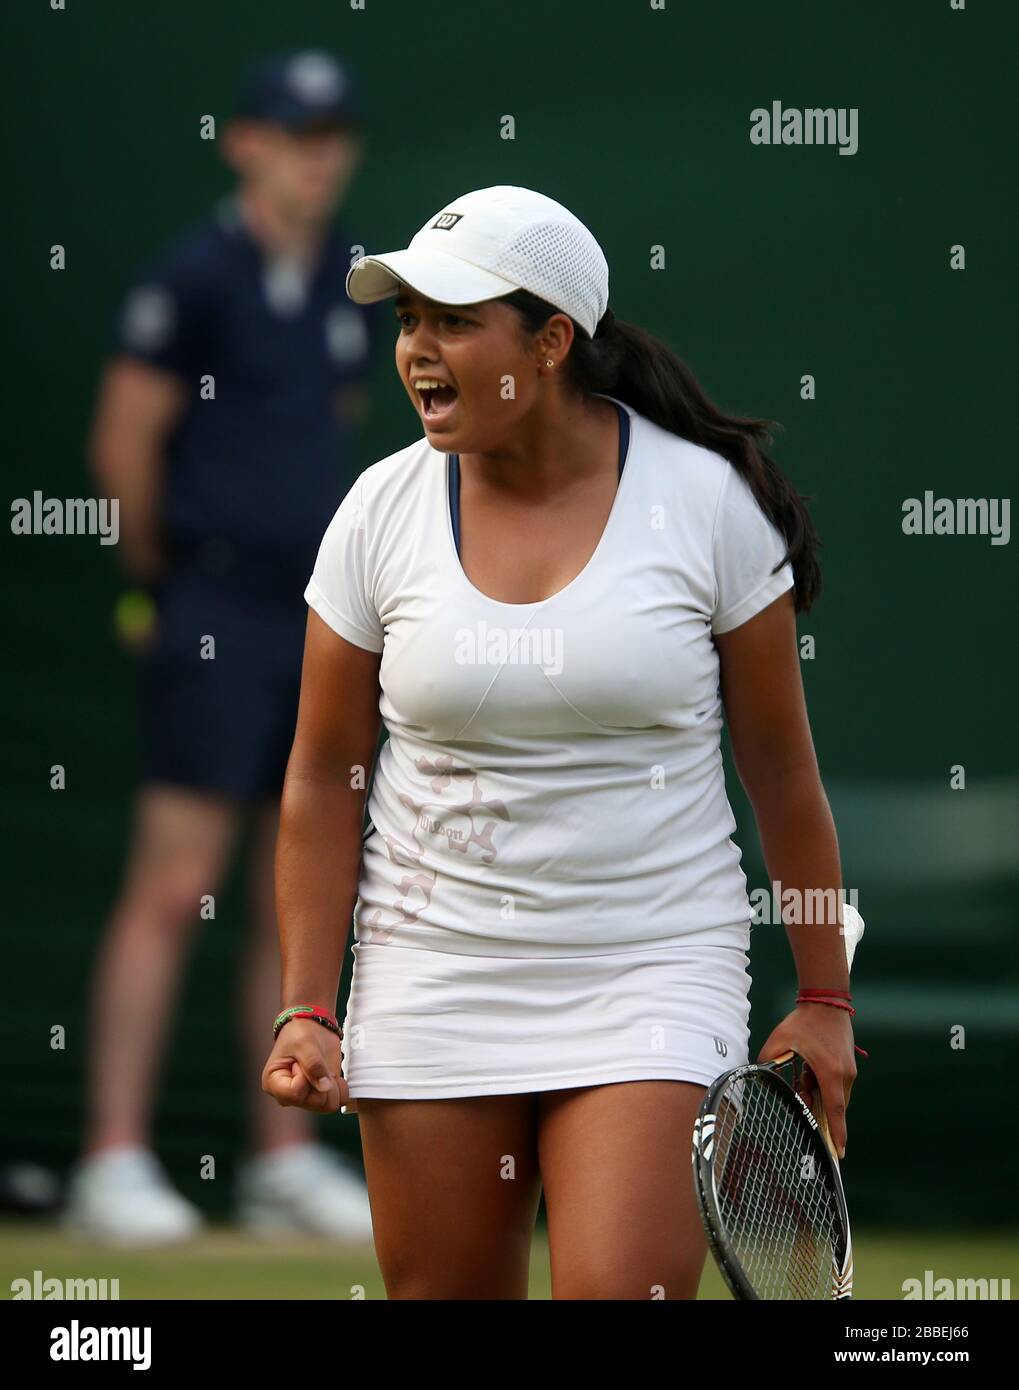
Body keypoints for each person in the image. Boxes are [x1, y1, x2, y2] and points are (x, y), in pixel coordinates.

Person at [262, 185, 859, 1298]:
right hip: (430, 968)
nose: (418, 351)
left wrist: (823, 997)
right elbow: (320, 773)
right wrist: (308, 1002)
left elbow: (781, 773)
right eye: (406, 322)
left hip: (650, 967)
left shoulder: (708, 505)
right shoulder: (375, 512)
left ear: (547, 342)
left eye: (451, 319)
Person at [66, 51, 381, 1244]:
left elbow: (330, 435)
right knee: (173, 884)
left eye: (334, 133)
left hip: (316, 623)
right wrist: (165, 581)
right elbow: (120, 447)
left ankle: (281, 1161)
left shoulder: (356, 287)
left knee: (292, 893)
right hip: (206, 613)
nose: (319, 154)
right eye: (296, 133)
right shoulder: (191, 280)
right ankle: (109, 1162)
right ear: (242, 142)